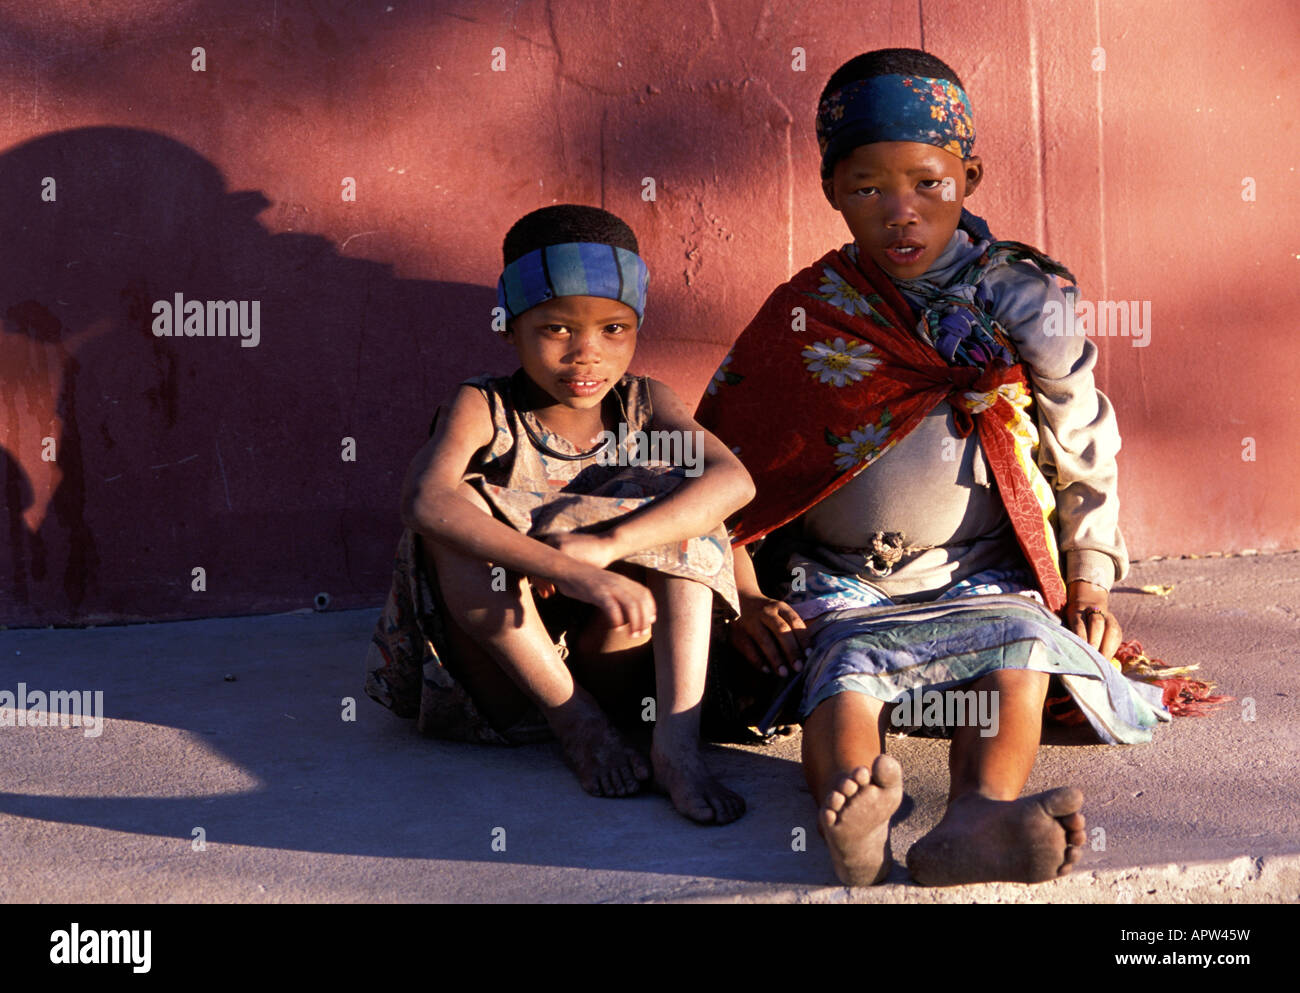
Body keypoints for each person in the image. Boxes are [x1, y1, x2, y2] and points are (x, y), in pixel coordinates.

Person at [695, 49, 1171, 882]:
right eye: (868, 188)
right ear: (831, 191)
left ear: (970, 176)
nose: (901, 213)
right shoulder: (809, 315)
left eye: (927, 183)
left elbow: (1081, 439)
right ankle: (853, 812)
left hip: (980, 571)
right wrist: (748, 592)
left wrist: (1090, 578)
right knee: (842, 674)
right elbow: (725, 466)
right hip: (843, 581)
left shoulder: (1023, 296)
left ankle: (978, 813)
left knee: (1020, 648)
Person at [365, 204, 753, 824]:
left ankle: (676, 747)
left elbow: (733, 480)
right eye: (556, 329)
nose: (587, 355)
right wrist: (561, 566)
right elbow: (424, 499)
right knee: (458, 508)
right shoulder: (483, 405)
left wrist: (601, 546)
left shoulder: (645, 405)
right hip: (511, 682)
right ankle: (579, 728)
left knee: (693, 494)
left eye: (614, 329)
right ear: (509, 326)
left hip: (624, 657)